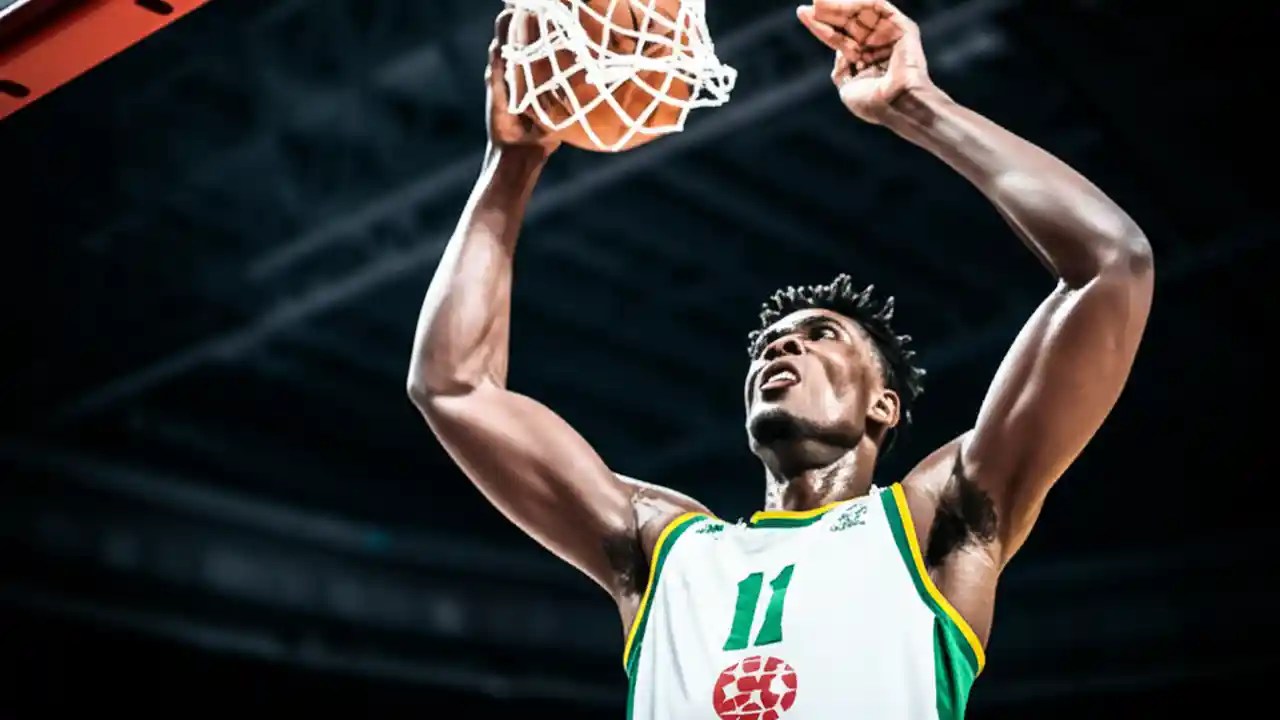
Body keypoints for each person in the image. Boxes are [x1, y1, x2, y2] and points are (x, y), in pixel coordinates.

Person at [405, 1, 1154, 717]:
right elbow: (454, 387)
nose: (783, 345)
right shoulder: (663, 547)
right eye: (769, 343)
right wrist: (512, 163)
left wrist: (918, 108)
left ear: (882, 406)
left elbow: (1111, 268)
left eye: (821, 335)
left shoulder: (938, 524)